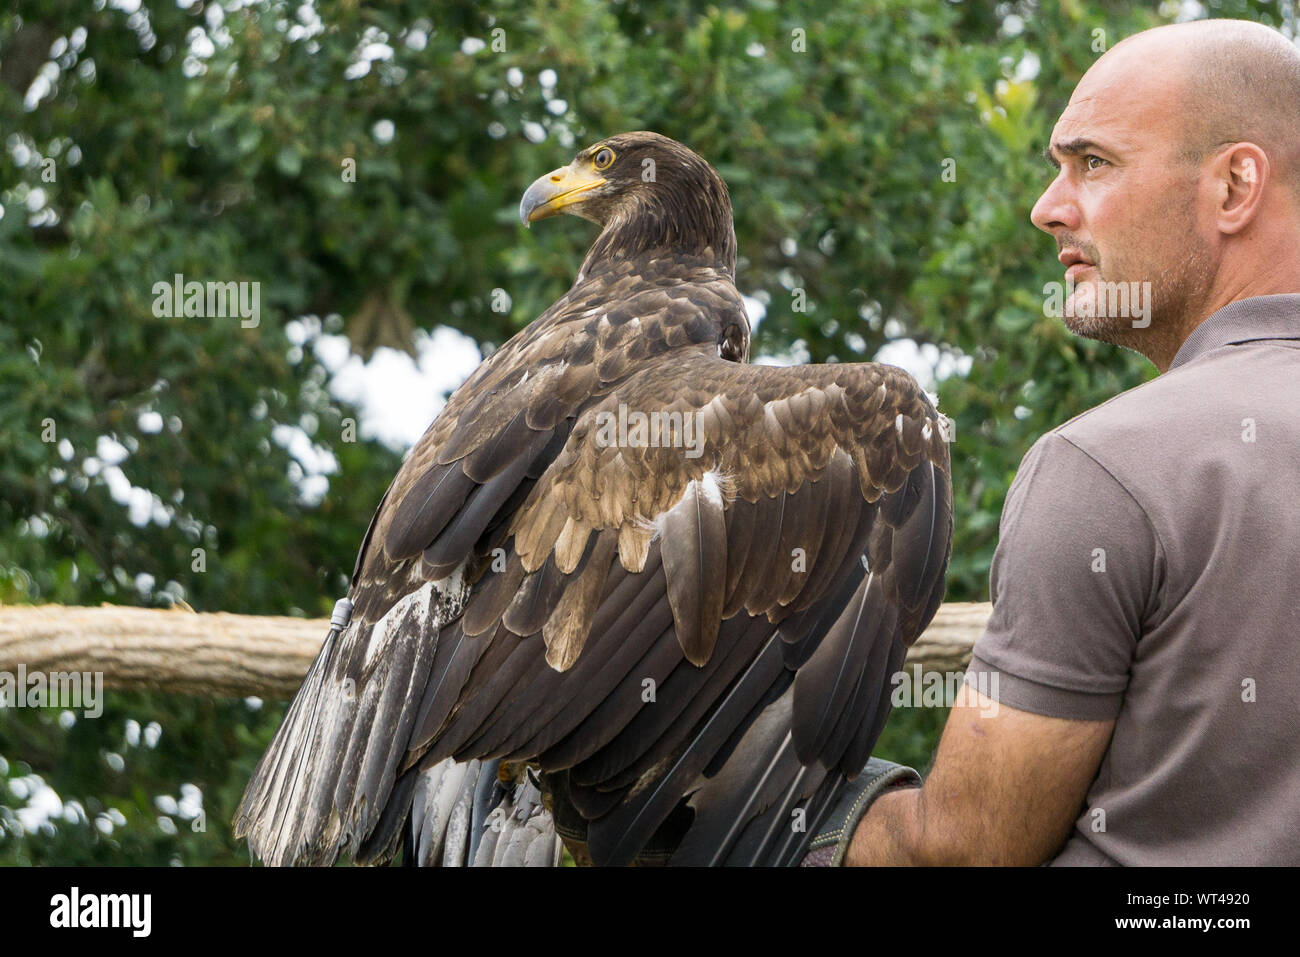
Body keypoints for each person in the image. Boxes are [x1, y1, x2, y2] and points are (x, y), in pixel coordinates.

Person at [810, 18, 1300, 866]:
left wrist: (770, 803)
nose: (1048, 209)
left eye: (1094, 163)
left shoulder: (1108, 466)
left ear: (1234, 187)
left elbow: (963, 853)